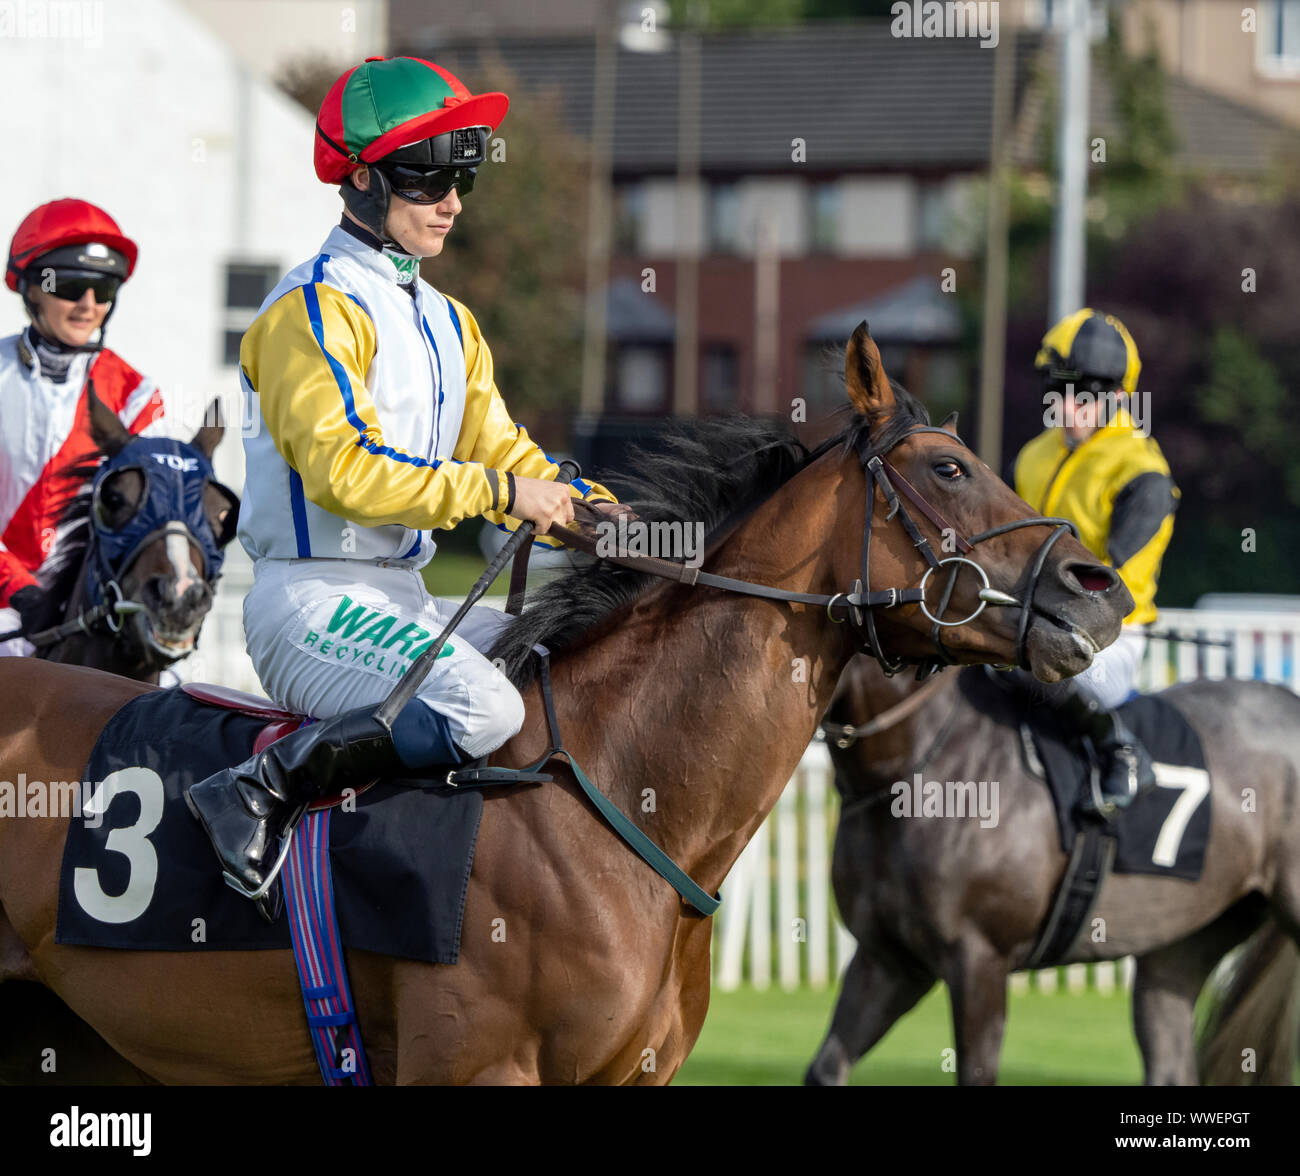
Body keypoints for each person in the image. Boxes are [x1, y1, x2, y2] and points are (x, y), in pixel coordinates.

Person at [186, 56, 622, 910]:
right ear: (360, 179)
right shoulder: (308, 310)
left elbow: (505, 447)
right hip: (307, 606)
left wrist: (602, 516)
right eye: (427, 179)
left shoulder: (449, 322)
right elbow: (348, 473)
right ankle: (257, 787)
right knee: (486, 711)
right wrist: (499, 493)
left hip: (408, 600)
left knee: (565, 653)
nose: (452, 201)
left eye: (460, 176)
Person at [1012, 308, 1179, 815]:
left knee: (1032, 669)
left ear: (1119, 397)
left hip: (1110, 637)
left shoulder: (1142, 473)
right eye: (1059, 390)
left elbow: (1109, 585)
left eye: (1085, 393)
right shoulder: (1031, 457)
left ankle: (1122, 750)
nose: (1068, 407)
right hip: (1032, 620)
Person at [0, 199, 164, 655]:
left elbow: (145, 519)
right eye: (72, 285)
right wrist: (20, 589)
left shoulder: (135, 395)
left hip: (91, 615)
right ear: (31, 289)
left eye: (104, 288)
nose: (88, 305)